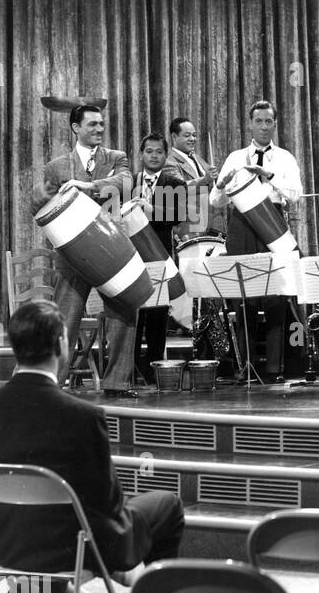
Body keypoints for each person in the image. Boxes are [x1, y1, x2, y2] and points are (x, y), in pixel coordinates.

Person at [0, 301, 184, 593]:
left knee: (45, 516)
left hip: (10, 548)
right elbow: (106, 504)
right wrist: (118, 563)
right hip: (79, 548)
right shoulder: (83, 416)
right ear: (62, 345)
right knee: (167, 505)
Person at [34, 103, 138, 397]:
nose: (99, 129)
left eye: (102, 124)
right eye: (92, 124)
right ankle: (52, 383)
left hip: (112, 251)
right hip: (72, 254)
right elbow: (44, 208)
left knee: (123, 313)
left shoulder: (117, 158)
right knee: (65, 317)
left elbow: (125, 184)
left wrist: (88, 185)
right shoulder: (56, 167)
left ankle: (118, 382)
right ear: (75, 128)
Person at [209, 100, 305, 382]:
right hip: (241, 226)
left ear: (275, 124)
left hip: (273, 224)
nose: (264, 126)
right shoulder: (236, 157)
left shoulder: (285, 158)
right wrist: (220, 184)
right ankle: (246, 367)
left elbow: (296, 195)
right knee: (244, 298)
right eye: (259, 121)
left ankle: (274, 368)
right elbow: (216, 202)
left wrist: (269, 176)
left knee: (275, 296)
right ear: (250, 124)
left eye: (269, 121)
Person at [131, 132, 188, 384]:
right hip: (132, 258)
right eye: (149, 151)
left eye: (159, 152)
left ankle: (155, 372)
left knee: (157, 317)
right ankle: (130, 370)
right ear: (141, 154)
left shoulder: (174, 182)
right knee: (134, 317)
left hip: (160, 256)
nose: (154, 156)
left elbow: (177, 216)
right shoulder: (128, 182)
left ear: (166, 156)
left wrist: (150, 209)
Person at [164, 116, 219, 236]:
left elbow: (211, 183)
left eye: (194, 135)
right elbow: (179, 188)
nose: (192, 139)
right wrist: (205, 179)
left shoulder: (195, 157)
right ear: (174, 136)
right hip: (187, 231)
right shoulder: (169, 162)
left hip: (207, 228)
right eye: (187, 135)